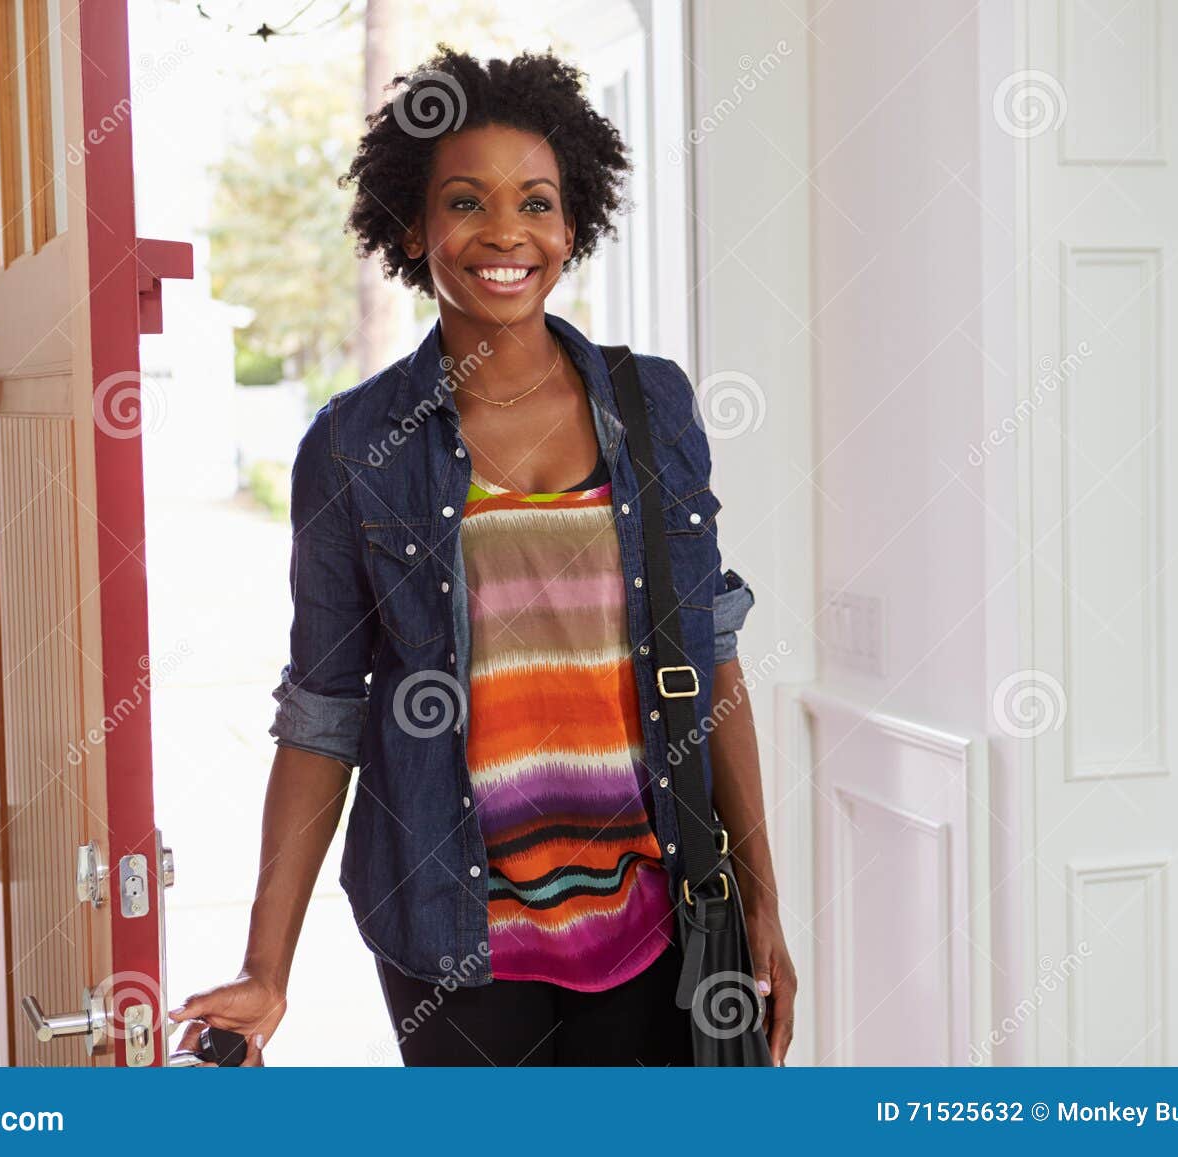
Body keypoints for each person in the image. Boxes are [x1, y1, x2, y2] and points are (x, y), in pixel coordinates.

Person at [169, 45, 796, 1067]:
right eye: (466, 201)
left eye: (536, 202)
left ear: (573, 223)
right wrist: (265, 966)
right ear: (412, 227)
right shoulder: (353, 445)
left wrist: (761, 898)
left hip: (655, 917)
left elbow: (711, 654)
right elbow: (322, 712)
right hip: (451, 936)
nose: (505, 231)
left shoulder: (656, 409)